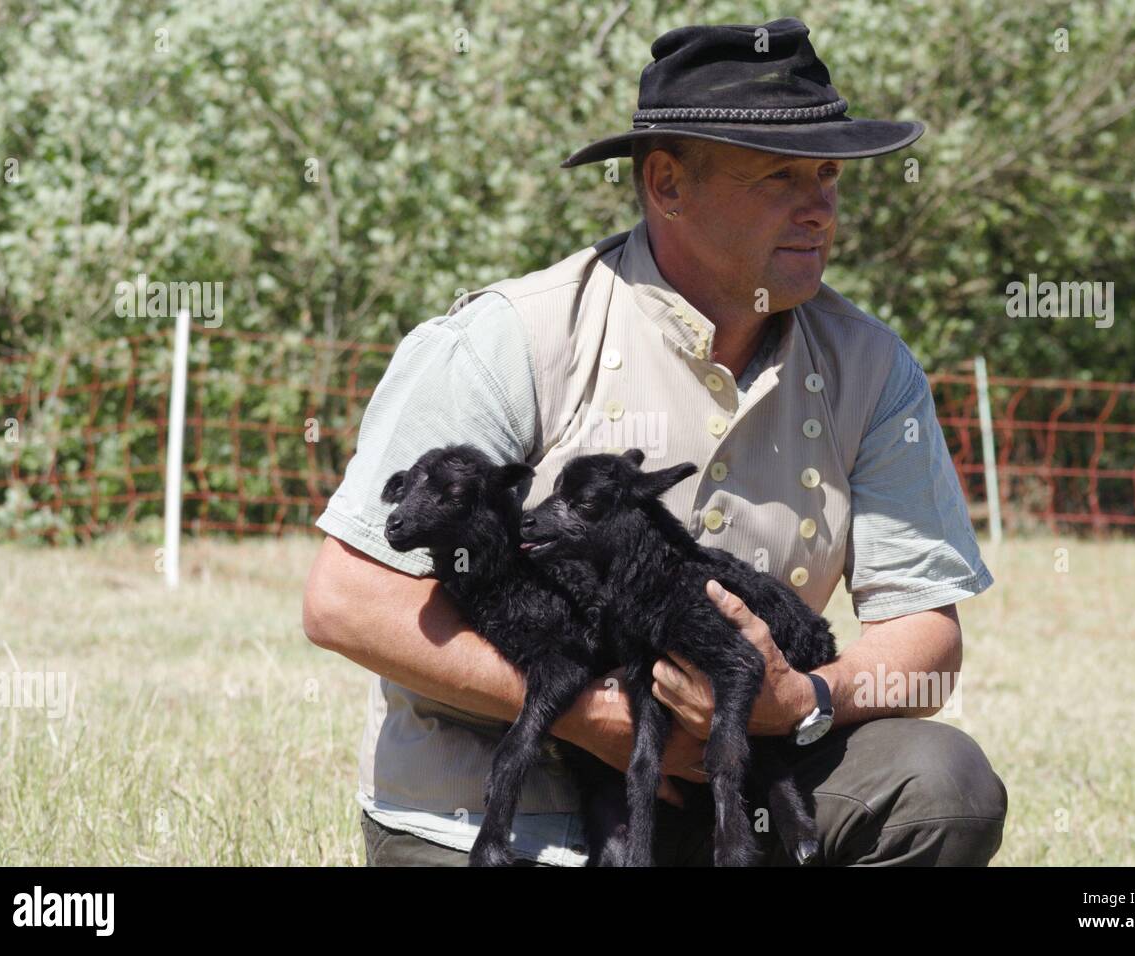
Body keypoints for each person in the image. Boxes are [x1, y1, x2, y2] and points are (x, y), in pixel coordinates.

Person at [303, 16, 1007, 866]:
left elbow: (925, 631)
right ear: (667, 184)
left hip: (734, 779)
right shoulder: (507, 341)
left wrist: (803, 698)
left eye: (828, 174)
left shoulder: (873, 367)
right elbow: (344, 601)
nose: (820, 207)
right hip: (496, 809)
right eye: (781, 175)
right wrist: (595, 714)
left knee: (943, 790)